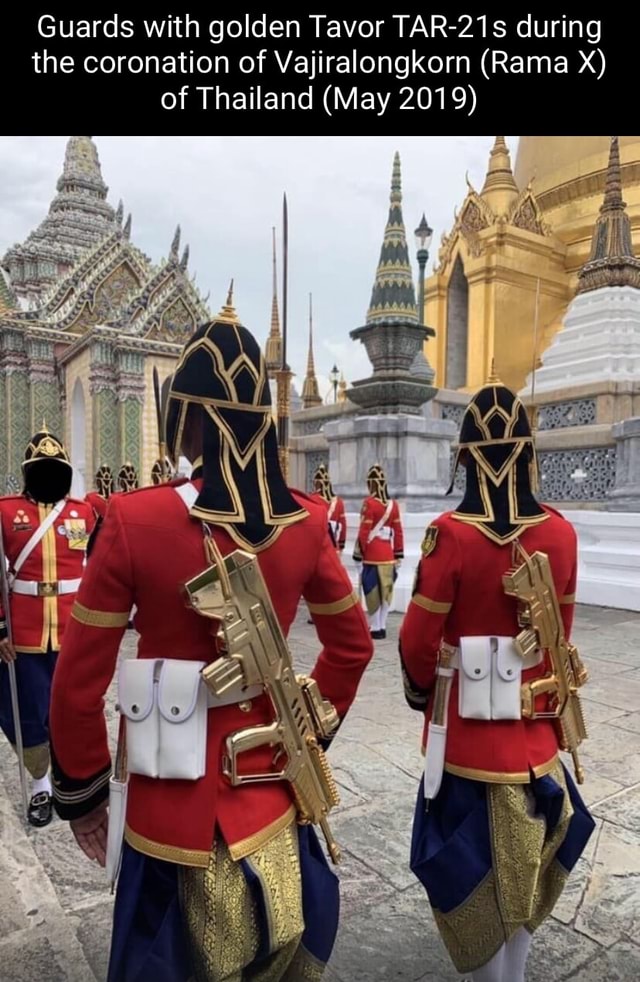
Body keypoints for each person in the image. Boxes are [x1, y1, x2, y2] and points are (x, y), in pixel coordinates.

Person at [49, 292, 373, 982]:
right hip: (273, 794)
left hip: (168, 811)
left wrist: (83, 794)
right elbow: (352, 647)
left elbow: (78, 682)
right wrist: (309, 731)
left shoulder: (134, 521)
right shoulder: (307, 522)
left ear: (187, 419)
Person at [398, 371, 595, 982]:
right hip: (537, 747)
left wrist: (423, 692)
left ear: (467, 461)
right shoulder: (561, 535)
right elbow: (559, 639)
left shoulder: (449, 538)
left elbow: (415, 646)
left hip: (466, 750)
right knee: (523, 900)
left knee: (476, 892)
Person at [0, 427, 95, 826]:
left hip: (73, 632)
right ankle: (40, 785)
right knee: (29, 712)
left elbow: (100, 570)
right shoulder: (6, 512)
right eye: (42, 469)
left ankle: (71, 782)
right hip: (24, 635)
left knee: (72, 710)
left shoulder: (84, 513)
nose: (50, 475)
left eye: (56, 469)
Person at [353, 463, 404, 640]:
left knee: (372, 591)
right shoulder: (394, 505)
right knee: (386, 593)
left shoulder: (369, 503)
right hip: (389, 556)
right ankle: (381, 626)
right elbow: (398, 532)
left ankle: (375, 627)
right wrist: (398, 555)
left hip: (372, 557)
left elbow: (364, 531)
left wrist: (358, 555)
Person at [311, 464, 346, 553]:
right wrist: (341, 544)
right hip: (334, 547)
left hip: (317, 547)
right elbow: (343, 526)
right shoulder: (339, 501)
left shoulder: (312, 499)